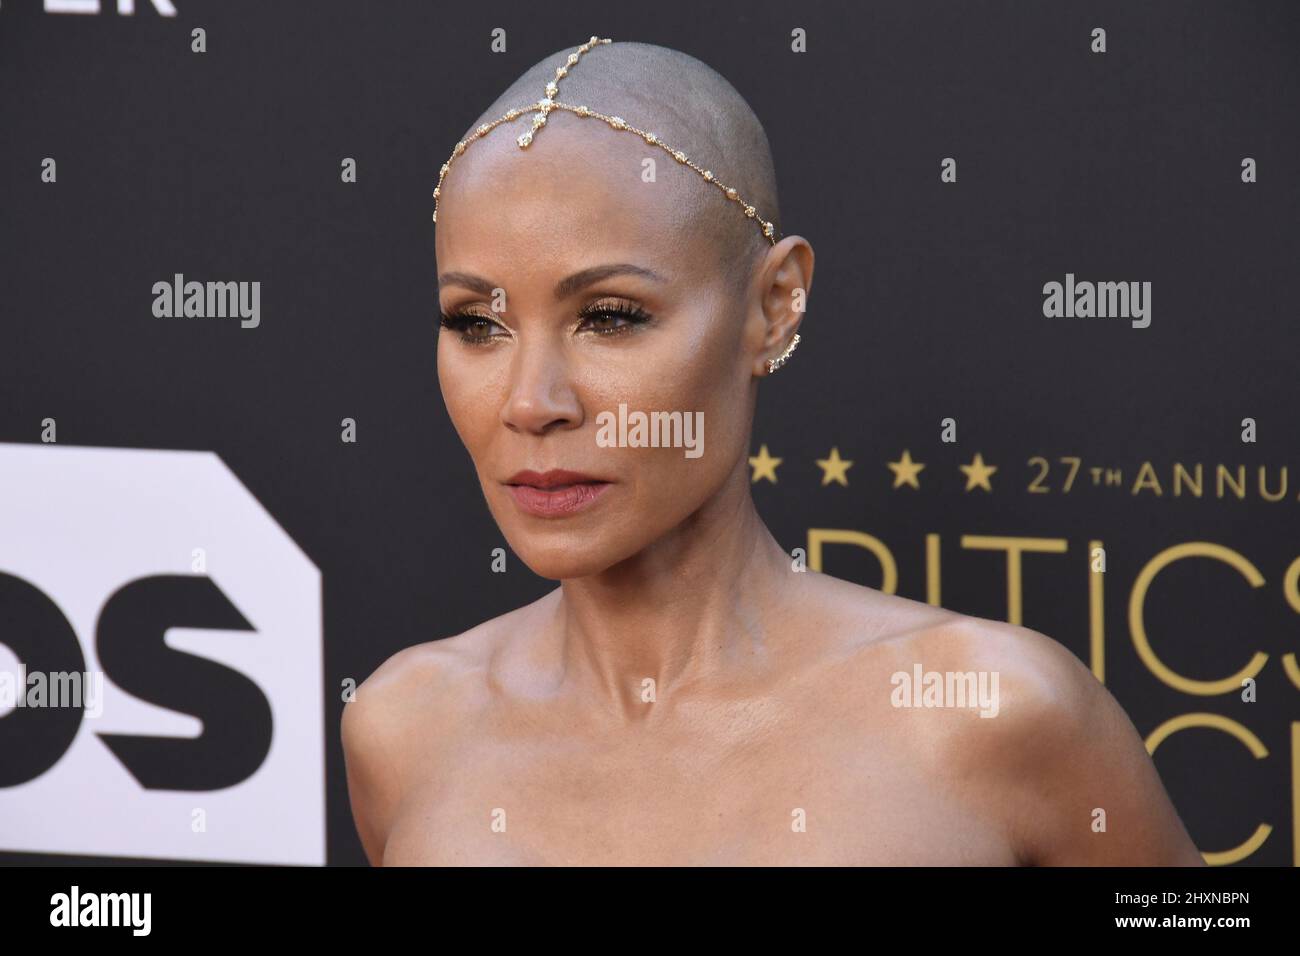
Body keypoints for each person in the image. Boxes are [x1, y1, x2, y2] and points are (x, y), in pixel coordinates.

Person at [342, 36, 1204, 866]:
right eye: (476, 324)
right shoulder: (404, 729)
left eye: (609, 317)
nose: (532, 403)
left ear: (775, 304)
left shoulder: (993, 712)